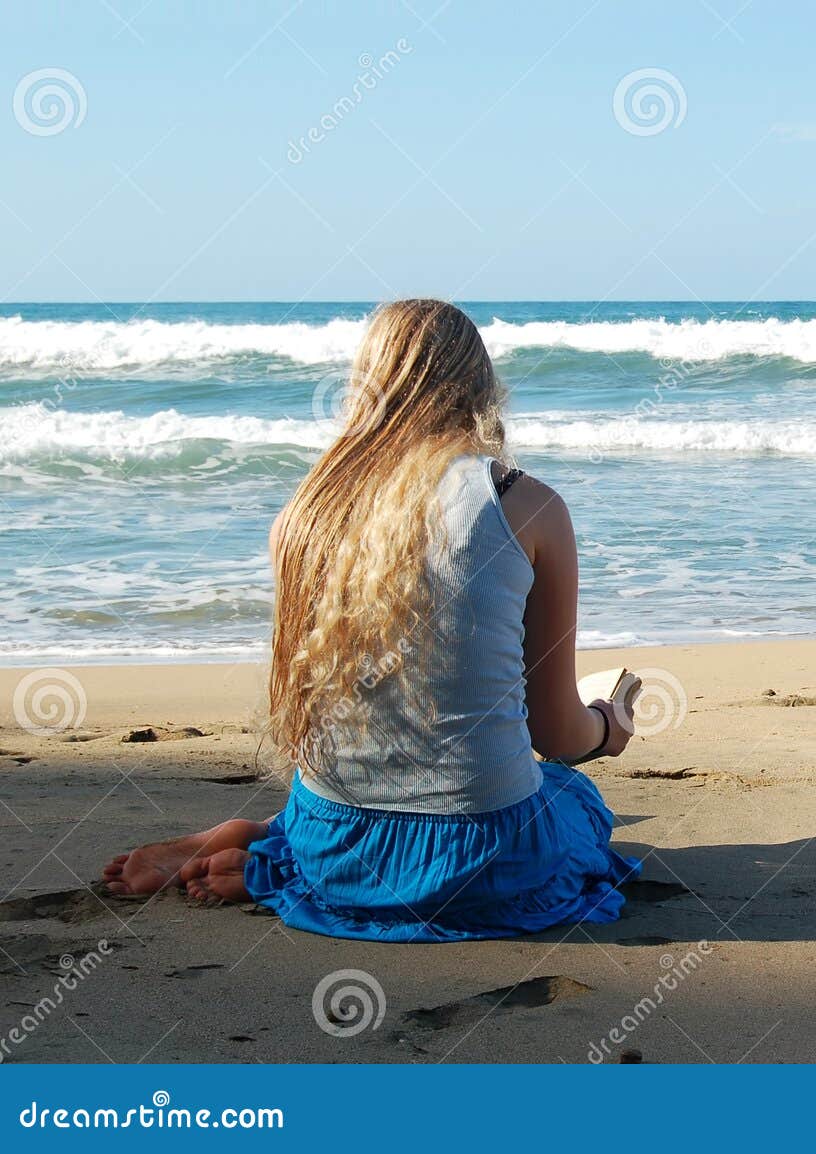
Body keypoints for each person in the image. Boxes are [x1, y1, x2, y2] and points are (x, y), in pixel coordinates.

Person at [102, 299, 640, 941]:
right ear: (482, 390)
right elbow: (556, 736)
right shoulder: (525, 504)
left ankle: (274, 843)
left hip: (333, 849)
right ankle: (268, 846)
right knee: (575, 800)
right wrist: (608, 725)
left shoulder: (310, 511)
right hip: (484, 865)